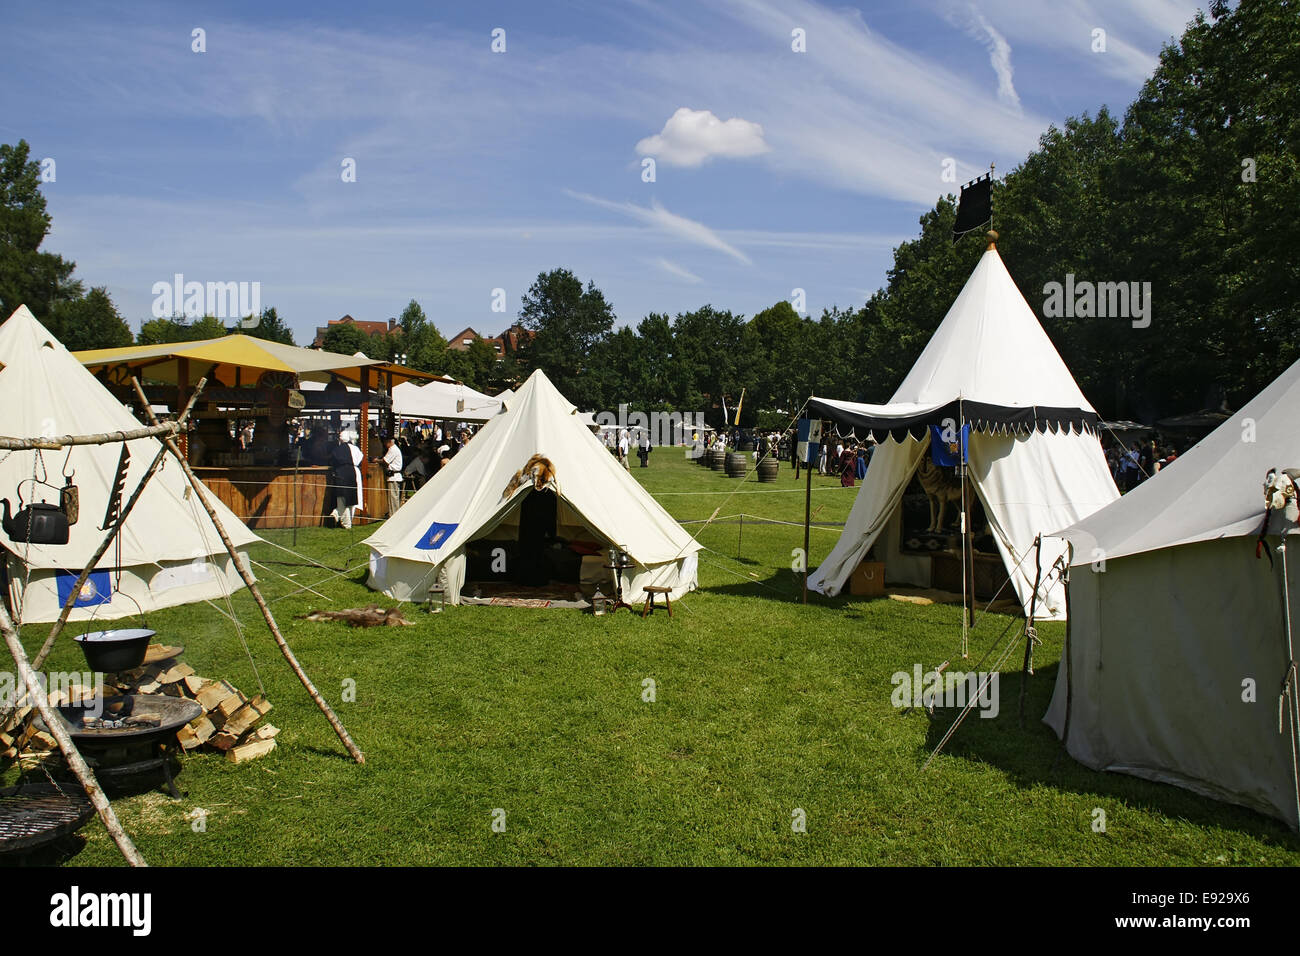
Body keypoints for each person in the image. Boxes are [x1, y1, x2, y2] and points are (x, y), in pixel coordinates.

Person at [327, 433, 357, 529]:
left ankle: (346, 523)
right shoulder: (353, 448)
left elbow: (332, 460)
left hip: (341, 474)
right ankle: (337, 516)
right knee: (351, 500)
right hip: (352, 473)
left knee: (342, 500)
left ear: (339, 440)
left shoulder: (336, 450)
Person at [380, 436, 404, 516]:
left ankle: (393, 515)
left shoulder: (393, 449)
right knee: (394, 497)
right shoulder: (394, 449)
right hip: (394, 475)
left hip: (394, 475)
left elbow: (385, 461)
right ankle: (393, 513)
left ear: (389, 442)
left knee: (393, 498)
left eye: (386, 442)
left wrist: (377, 460)